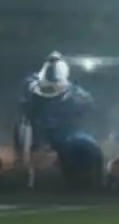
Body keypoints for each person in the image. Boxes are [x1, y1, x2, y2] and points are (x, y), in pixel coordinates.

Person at [15, 52, 102, 188]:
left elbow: (91, 114)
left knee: (92, 150)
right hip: (38, 130)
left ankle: (88, 182)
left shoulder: (77, 96)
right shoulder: (30, 88)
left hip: (64, 133)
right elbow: (24, 118)